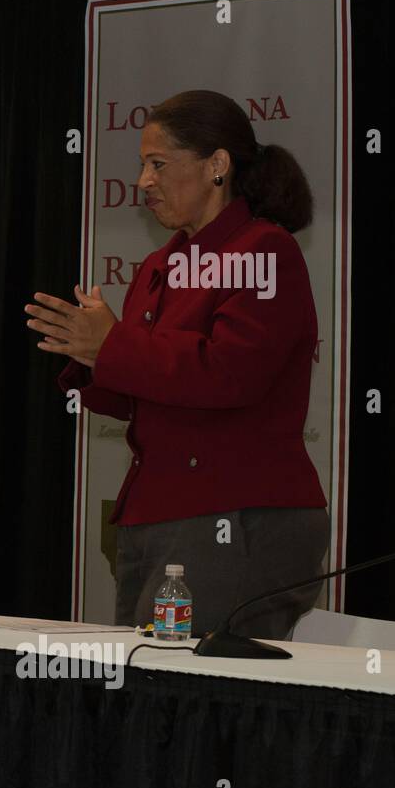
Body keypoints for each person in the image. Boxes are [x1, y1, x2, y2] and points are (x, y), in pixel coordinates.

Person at [25, 89, 328, 638]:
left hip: (233, 512)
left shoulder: (262, 252)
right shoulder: (162, 264)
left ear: (217, 166)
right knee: (149, 691)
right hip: (158, 510)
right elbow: (152, 390)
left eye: (158, 164)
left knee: (194, 701)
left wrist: (112, 346)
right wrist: (87, 353)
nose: (143, 182)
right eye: (142, 165)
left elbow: (228, 374)